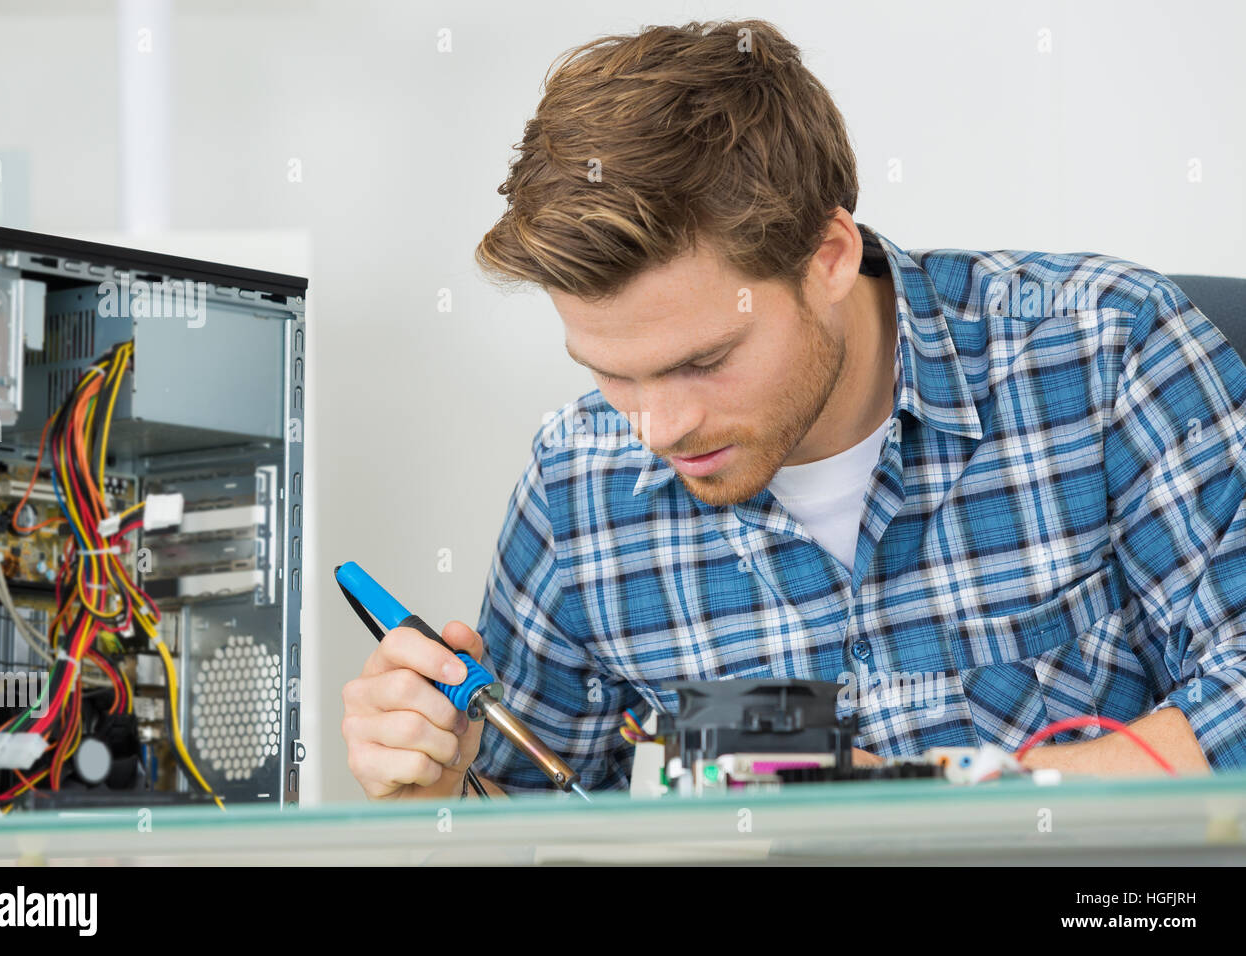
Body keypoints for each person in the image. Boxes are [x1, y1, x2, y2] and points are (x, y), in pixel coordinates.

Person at [343, 19, 1241, 800]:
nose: (656, 428)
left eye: (704, 360)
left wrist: (953, 810)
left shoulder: (1104, 353)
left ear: (830, 256)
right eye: (611, 374)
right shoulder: (579, 482)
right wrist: (436, 782)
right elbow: (535, 808)